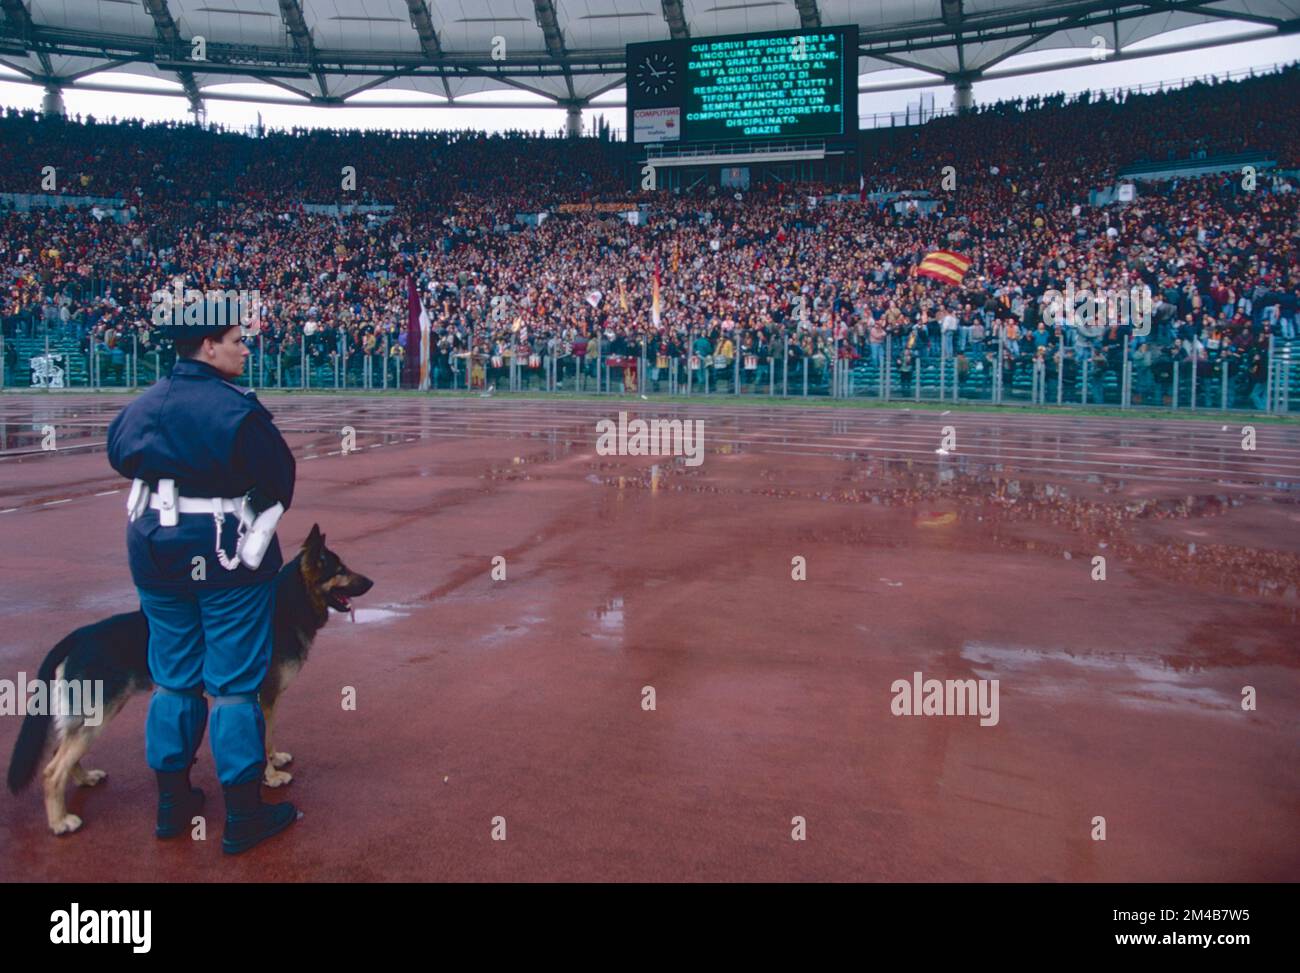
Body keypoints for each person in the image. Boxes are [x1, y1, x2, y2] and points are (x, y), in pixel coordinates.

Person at [106, 313, 300, 855]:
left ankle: (173, 801)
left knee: (173, 676)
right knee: (235, 683)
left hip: (155, 554)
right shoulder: (238, 410)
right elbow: (279, 479)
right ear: (208, 346)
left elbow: (121, 457)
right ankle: (242, 815)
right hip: (226, 556)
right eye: (237, 343)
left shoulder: (140, 406)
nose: (245, 351)